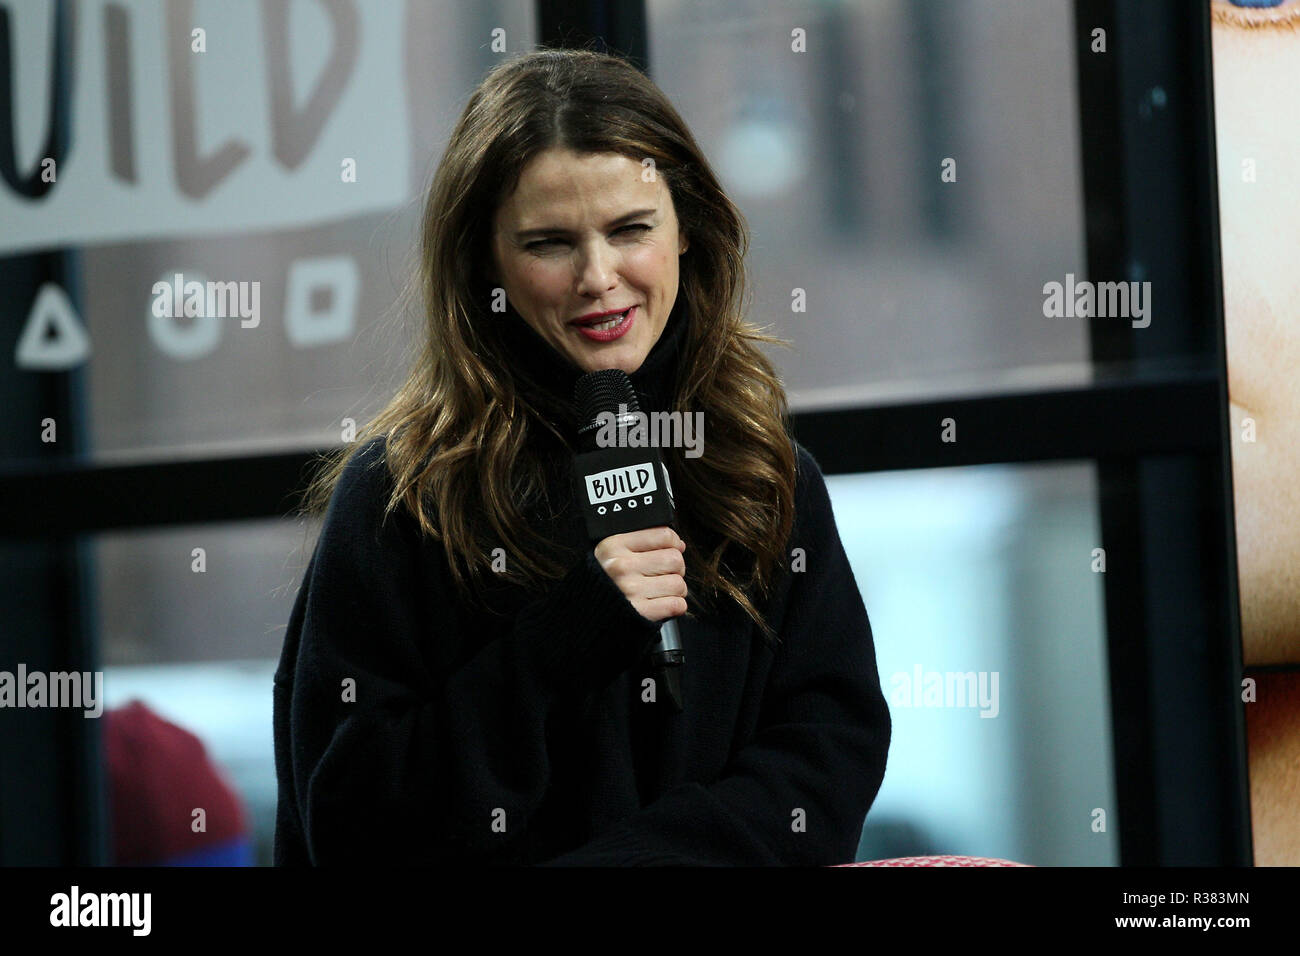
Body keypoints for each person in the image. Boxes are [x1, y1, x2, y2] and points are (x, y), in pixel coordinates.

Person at [272, 47, 891, 866]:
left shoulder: (761, 475)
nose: (598, 277)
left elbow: (825, 764)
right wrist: (568, 634)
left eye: (631, 230)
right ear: (482, 262)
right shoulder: (406, 498)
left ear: (689, 234)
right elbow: (353, 826)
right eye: (550, 243)